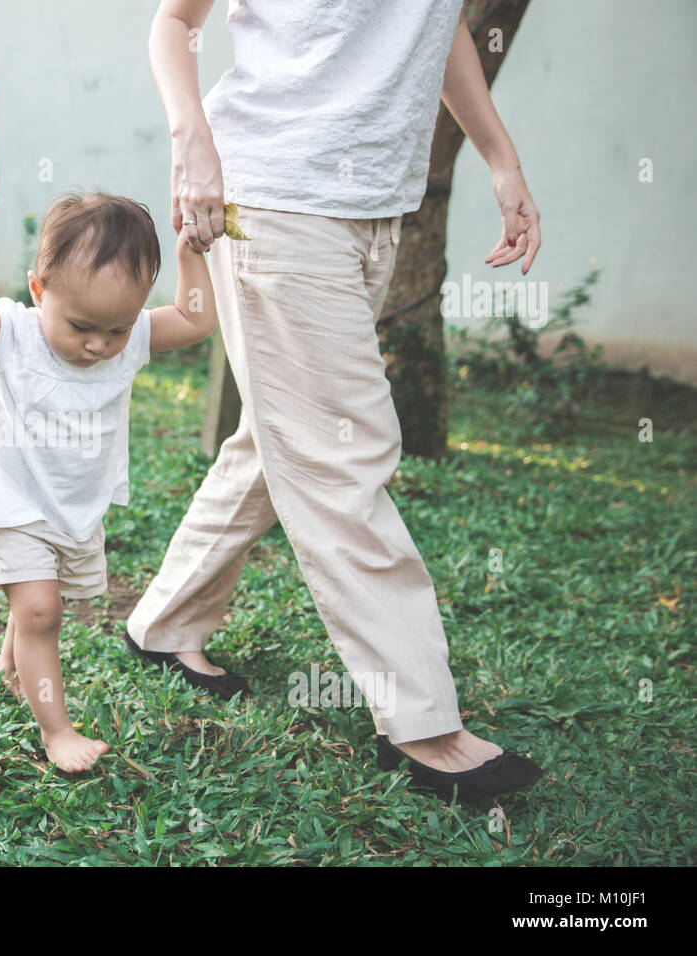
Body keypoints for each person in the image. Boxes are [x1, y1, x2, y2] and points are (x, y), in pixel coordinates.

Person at [128, 0, 544, 799]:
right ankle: (426, 726)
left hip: (376, 207)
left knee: (281, 437)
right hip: (276, 195)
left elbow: (439, 26)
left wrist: (501, 155)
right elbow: (174, 21)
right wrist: (193, 147)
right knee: (342, 458)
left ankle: (166, 622)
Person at [0, 189, 219, 772]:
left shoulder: (129, 338)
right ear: (40, 291)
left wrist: (191, 253)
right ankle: (56, 731)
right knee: (41, 609)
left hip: (72, 510)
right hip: (5, 501)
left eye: (116, 329)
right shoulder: (13, 333)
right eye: (83, 325)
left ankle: (12, 663)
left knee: (39, 600)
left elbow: (195, 318)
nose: (98, 345)